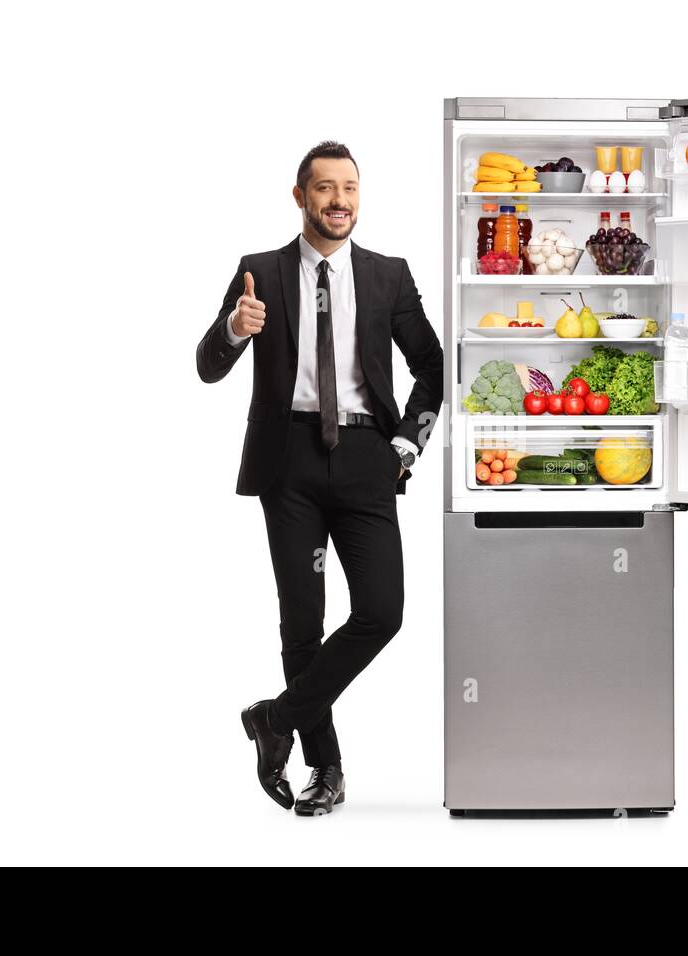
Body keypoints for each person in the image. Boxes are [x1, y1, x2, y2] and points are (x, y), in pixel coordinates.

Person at [195, 141, 443, 815]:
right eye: (326, 188)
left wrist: (406, 445)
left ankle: (275, 718)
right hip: (290, 462)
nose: (340, 200)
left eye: (351, 188)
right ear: (300, 196)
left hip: (368, 459)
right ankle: (324, 769)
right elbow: (207, 365)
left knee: (380, 613)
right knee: (302, 625)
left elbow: (432, 365)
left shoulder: (389, 275)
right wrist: (233, 329)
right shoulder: (261, 273)